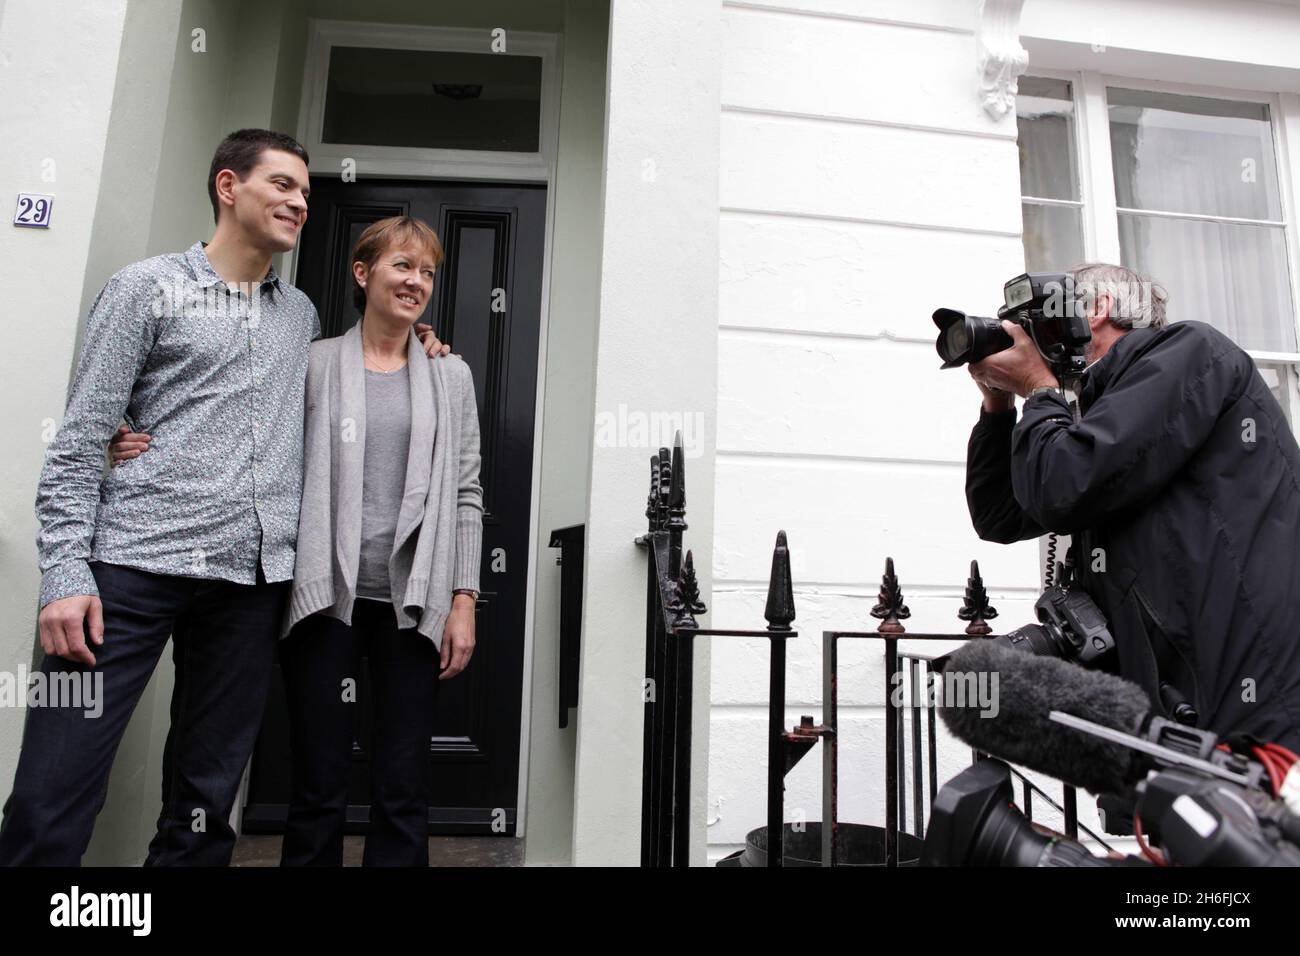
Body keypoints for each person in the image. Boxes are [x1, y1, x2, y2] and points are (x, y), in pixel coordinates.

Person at [0, 129, 445, 866]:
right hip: (129, 571)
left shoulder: (298, 317)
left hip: (248, 588)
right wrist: (65, 574)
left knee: (205, 807)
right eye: (282, 185)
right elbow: (80, 441)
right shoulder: (144, 289)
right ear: (229, 188)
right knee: (54, 793)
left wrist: (421, 343)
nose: (300, 202)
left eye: (305, 191)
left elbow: (366, 372)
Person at [965, 262, 1300, 751]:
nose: (1027, 335)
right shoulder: (1097, 404)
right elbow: (999, 514)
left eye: (1037, 318)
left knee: (1248, 824)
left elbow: (1065, 486)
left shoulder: (1189, 351)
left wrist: (1040, 390)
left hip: (1237, 696)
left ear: (1097, 309)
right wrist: (998, 407)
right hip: (1172, 701)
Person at [277, 216, 483, 866]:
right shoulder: (312, 365)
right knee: (318, 782)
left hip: (410, 606)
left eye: (426, 272)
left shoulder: (451, 378)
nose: (416, 281)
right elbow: (275, 467)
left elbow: (466, 494)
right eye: (402, 266)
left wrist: (464, 599)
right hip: (324, 599)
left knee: (401, 787)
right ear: (363, 274)